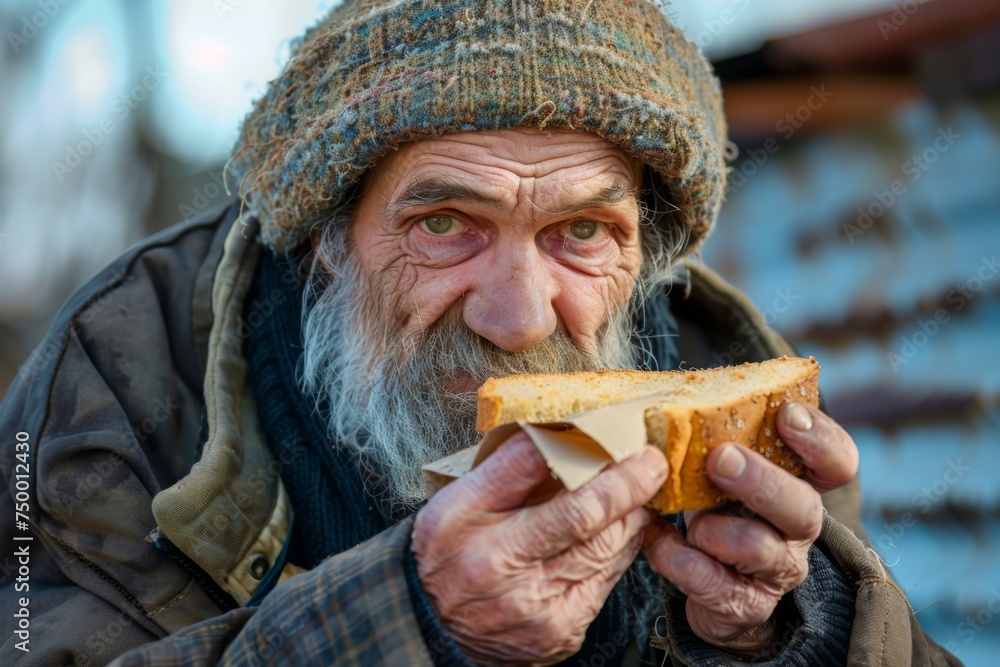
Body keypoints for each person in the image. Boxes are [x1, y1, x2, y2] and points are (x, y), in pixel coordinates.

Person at [0, 0, 962, 665]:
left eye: (583, 231)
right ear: (328, 242)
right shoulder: (114, 386)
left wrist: (803, 632)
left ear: (649, 256)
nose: (518, 317)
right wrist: (406, 622)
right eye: (444, 225)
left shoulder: (733, 403)